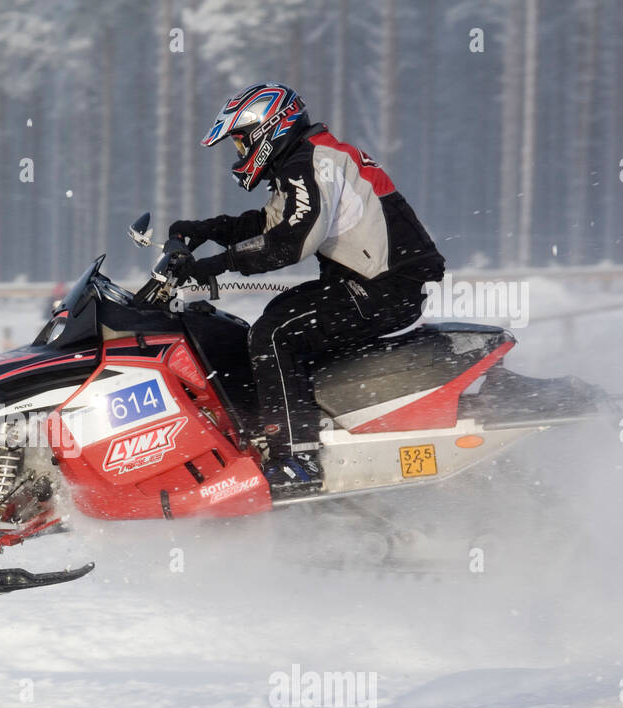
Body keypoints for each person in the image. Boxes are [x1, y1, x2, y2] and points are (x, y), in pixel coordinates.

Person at [168, 83, 445, 494]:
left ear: (270, 128)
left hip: (387, 288)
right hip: (374, 284)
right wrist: (205, 231)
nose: (240, 154)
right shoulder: (306, 160)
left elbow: (290, 242)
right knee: (278, 314)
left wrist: (216, 264)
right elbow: (270, 225)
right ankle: (300, 421)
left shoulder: (313, 161)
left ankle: (295, 459)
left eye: (241, 141)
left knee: (275, 333)